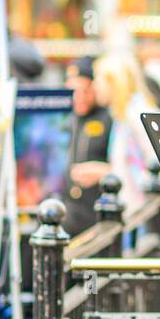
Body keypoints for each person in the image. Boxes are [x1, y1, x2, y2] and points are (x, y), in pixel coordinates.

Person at [88, 52, 158, 217]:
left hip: (141, 215)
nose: (94, 85)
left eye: (98, 79)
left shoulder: (138, 114)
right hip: (133, 211)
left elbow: (156, 163)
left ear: (114, 82)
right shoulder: (123, 117)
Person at [62, 56, 114, 237]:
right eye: (74, 91)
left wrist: (104, 171)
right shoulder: (64, 119)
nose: (80, 97)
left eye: (85, 90)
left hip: (96, 212)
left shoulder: (108, 118)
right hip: (69, 210)